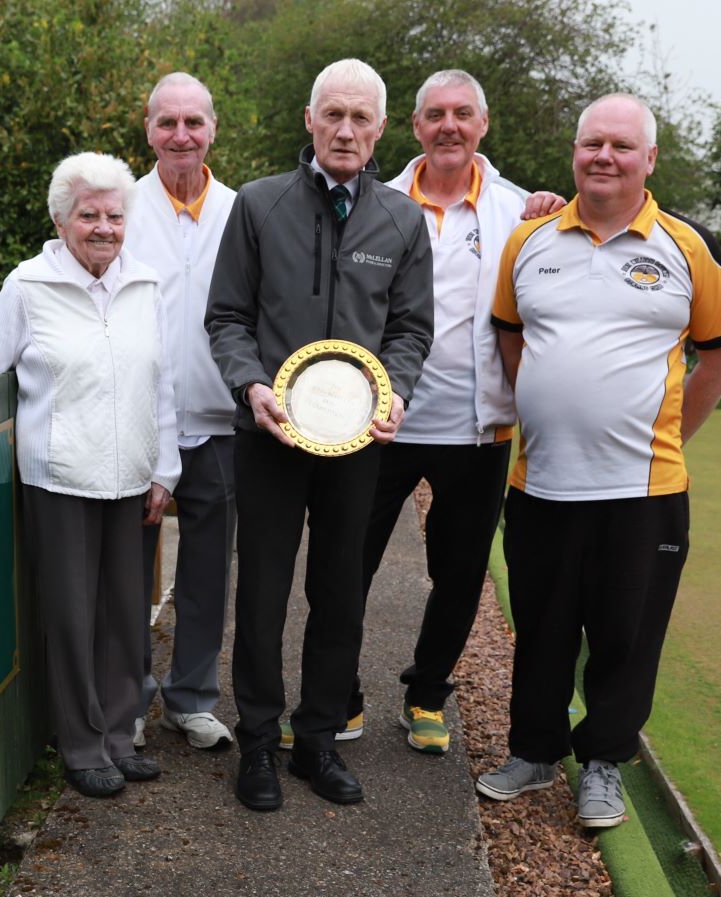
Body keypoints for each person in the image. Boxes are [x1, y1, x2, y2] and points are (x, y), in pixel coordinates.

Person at [281, 70, 566, 756]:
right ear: (412, 126)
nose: (449, 125)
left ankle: (425, 692)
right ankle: (336, 697)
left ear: (482, 124)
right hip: (376, 420)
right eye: (435, 113)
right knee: (345, 565)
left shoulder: (521, 210)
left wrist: (556, 209)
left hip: (477, 426)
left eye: (463, 114)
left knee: (460, 574)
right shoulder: (372, 201)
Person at [476, 94, 721, 828]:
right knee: (543, 627)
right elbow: (509, 337)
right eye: (592, 143)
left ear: (649, 159)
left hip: (645, 490)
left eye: (622, 146)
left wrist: (665, 439)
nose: (604, 156)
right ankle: (532, 753)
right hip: (543, 483)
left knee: (626, 635)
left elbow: (720, 358)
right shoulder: (529, 242)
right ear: (574, 151)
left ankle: (601, 765)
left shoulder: (690, 247)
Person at [205, 58, 434, 811]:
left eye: (359, 118)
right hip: (269, 436)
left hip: (357, 446)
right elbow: (228, 317)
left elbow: (409, 328)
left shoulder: (402, 219)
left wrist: (396, 389)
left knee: (341, 594)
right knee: (264, 594)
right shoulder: (259, 205)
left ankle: (319, 742)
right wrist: (251, 383)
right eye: (332, 114)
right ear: (309, 120)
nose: (345, 129)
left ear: (379, 131)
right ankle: (260, 745)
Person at [0, 152, 181, 798]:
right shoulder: (27, 287)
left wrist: (164, 465)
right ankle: (83, 745)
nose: (104, 227)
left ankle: (121, 737)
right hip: (58, 478)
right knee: (69, 615)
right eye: (89, 214)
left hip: (131, 478)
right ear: (62, 219)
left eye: (114, 214)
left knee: (125, 615)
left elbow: (161, 383)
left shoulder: (144, 283)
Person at [126, 73, 237, 752]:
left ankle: (193, 697)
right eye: (168, 123)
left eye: (193, 122)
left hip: (222, 420)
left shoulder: (240, 209)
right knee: (131, 569)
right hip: (137, 422)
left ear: (212, 129)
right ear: (148, 129)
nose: (181, 135)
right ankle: (129, 695)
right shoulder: (121, 206)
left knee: (206, 569)